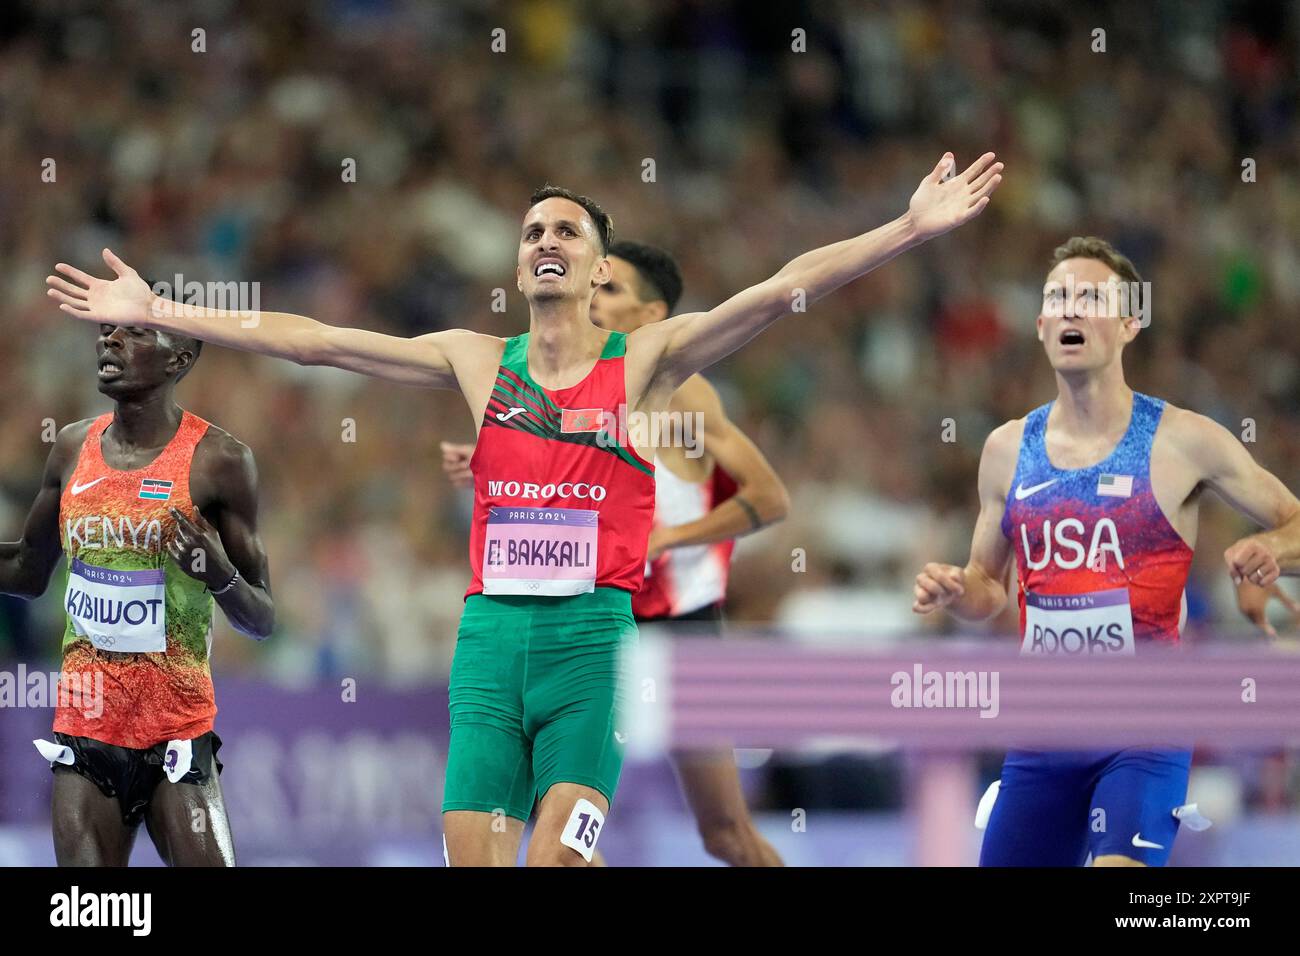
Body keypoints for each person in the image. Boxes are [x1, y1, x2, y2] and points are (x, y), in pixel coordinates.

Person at [48, 150, 1002, 866]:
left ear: (599, 273)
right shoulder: (476, 360)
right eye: (533, 232)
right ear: (518, 269)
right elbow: (315, 342)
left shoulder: (649, 360)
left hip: (594, 644)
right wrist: (165, 308)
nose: (546, 240)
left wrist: (909, 229)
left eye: (568, 233)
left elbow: (786, 287)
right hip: (492, 644)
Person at [911, 236, 1300, 866]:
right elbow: (987, 586)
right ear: (1040, 327)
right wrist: (959, 589)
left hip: (1145, 726)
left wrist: (1270, 546)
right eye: (1057, 298)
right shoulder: (1007, 450)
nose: (1071, 309)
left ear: (1128, 322)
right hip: (1045, 733)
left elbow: (1293, 520)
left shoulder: (1185, 441)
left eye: (1090, 298)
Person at [442, 239, 788, 866]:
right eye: (594, 288)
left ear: (653, 315)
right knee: (561, 829)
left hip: (679, 632)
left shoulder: (682, 394)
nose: (595, 298)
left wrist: (670, 538)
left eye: (612, 290)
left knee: (724, 833)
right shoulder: (573, 381)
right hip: (594, 627)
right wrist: (490, 465)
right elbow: (573, 464)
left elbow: (771, 498)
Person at [0, 320, 274, 865]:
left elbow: (262, 619)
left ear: (180, 359)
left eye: (136, 333)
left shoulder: (219, 460)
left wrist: (219, 572)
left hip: (177, 733)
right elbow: (29, 572)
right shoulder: (72, 447)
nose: (110, 341)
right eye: (106, 330)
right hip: (85, 734)